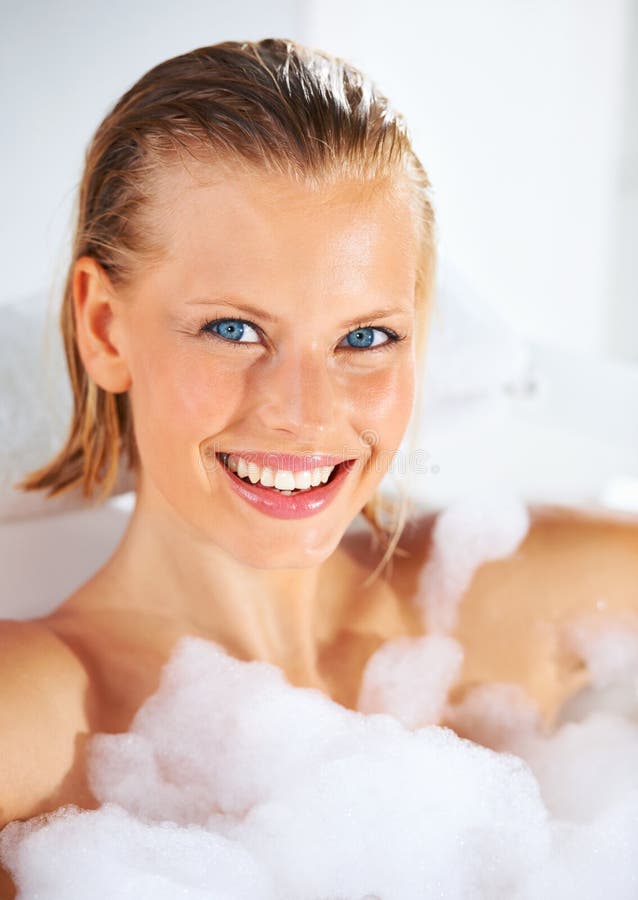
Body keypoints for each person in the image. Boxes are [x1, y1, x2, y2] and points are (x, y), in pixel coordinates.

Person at [1, 37, 637, 897]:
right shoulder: (32, 730)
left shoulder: (511, 605)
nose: (304, 412)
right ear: (105, 328)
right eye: (232, 330)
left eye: (365, 337)